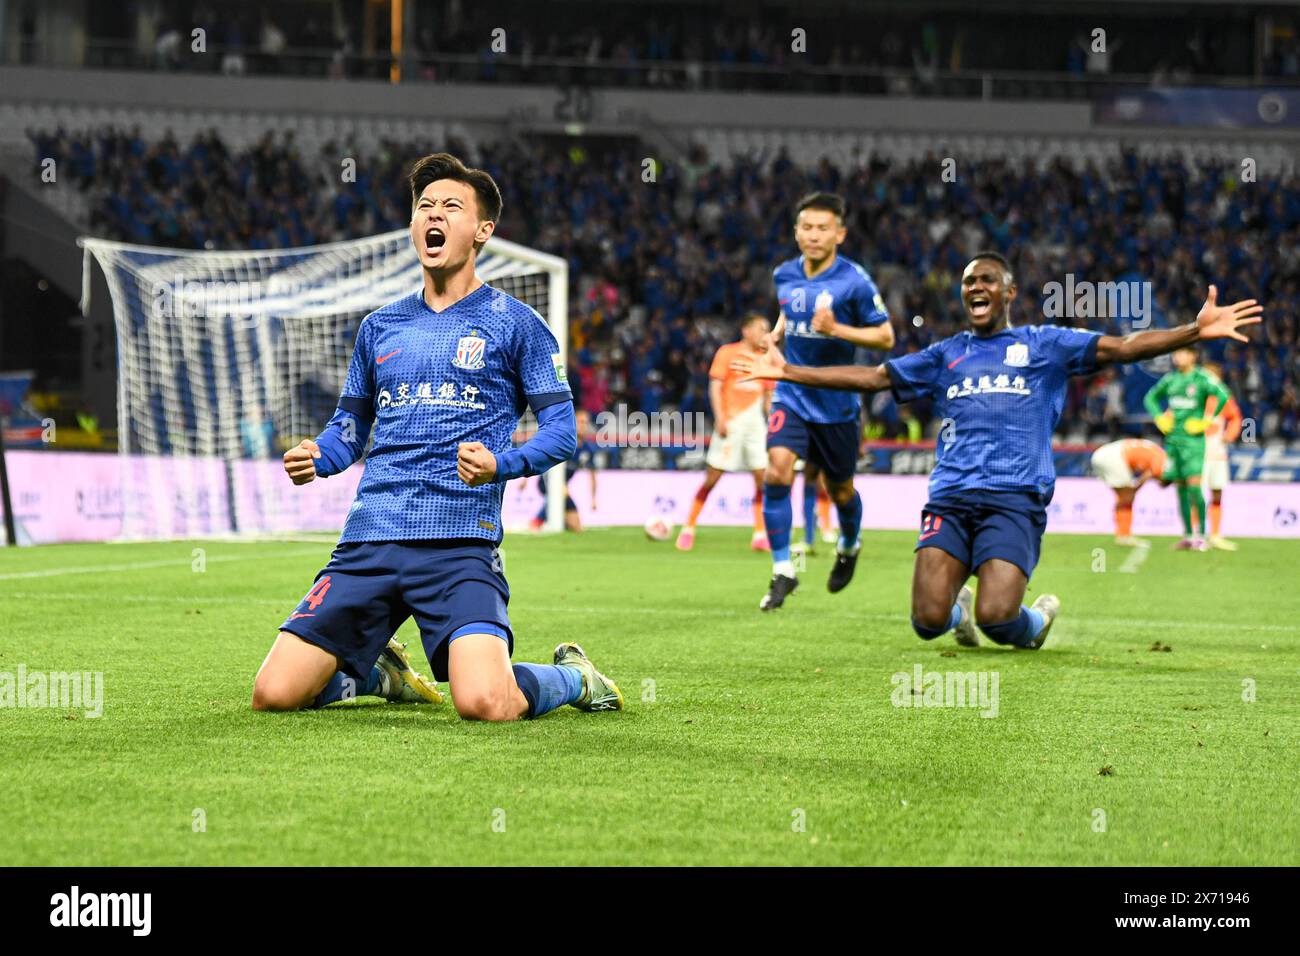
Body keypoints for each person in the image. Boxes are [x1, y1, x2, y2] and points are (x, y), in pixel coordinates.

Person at [734, 252, 1262, 648]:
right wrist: (789, 371)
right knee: (926, 623)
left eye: (987, 279)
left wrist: (1195, 329)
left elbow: (1124, 349)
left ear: (1008, 292)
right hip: (951, 498)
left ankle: (1038, 621)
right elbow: (873, 378)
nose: (976, 286)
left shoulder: (1043, 345)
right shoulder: (946, 355)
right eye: (969, 282)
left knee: (999, 619)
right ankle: (957, 612)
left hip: (1014, 497)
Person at [256, 152, 622, 720]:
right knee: (273, 695)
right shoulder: (380, 325)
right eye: (425, 205)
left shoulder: (515, 323)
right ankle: (378, 675)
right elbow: (349, 427)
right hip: (370, 539)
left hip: (458, 547)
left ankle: (573, 678)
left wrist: (502, 464)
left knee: (484, 703)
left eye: (452, 206)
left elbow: (561, 431)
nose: (435, 214)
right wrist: (318, 455)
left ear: (482, 231)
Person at [759, 192, 895, 610]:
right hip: (792, 393)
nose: (814, 235)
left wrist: (839, 329)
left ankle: (850, 545)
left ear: (839, 233)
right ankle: (783, 570)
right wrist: (777, 334)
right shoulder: (784, 273)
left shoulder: (854, 280)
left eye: (823, 228)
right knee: (777, 473)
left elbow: (885, 337)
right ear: (796, 232)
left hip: (837, 403)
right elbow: (789, 308)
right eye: (807, 227)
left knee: (840, 491)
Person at [676, 313, 774, 552]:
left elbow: (769, 396)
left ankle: (760, 534)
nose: (765, 334)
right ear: (746, 330)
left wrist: (772, 423)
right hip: (732, 421)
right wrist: (720, 417)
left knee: (762, 478)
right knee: (713, 477)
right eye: (761, 329)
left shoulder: (767, 357)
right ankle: (688, 528)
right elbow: (716, 386)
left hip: (755, 424)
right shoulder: (727, 353)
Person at [1143, 348, 1231, 550]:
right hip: (1173, 441)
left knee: (1194, 487)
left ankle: (1201, 535)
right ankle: (1188, 535)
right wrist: (1159, 417)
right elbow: (1150, 398)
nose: (1177, 357)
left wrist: (1206, 421)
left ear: (1193, 355)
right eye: (1175, 353)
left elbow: (1224, 395)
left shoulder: (1202, 377)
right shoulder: (1170, 379)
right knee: (1181, 488)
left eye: (1182, 353)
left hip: (1193, 442)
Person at [1089, 438, 1167, 546]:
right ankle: (1124, 536)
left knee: (1123, 498)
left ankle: (1122, 534)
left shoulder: (1155, 450)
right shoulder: (1163, 459)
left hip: (1099, 454)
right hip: (1115, 457)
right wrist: (1136, 488)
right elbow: (1152, 472)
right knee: (1127, 498)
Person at [531, 409, 599, 533]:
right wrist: (525, 480)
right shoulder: (564, 442)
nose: (583, 426)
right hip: (547, 480)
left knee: (577, 527)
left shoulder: (587, 449)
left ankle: (553, 522)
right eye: (580, 422)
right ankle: (536, 522)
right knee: (558, 496)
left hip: (564, 487)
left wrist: (593, 499)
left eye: (586, 423)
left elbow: (593, 475)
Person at [1200, 362, 1243, 550]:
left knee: (1217, 492)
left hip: (1217, 452)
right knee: (1197, 494)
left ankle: (1215, 535)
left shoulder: (1223, 397)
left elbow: (1236, 418)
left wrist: (1229, 435)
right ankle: (1196, 534)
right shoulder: (1193, 396)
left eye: (1214, 376)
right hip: (1197, 452)